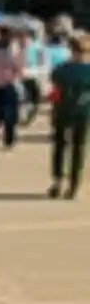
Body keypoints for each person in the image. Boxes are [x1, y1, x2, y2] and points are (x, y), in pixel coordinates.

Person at [48, 32, 90, 200]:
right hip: (84, 111)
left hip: (62, 110)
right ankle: (74, 185)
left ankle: (58, 181)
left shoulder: (61, 69)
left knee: (60, 146)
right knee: (78, 148)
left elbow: (54, 89)